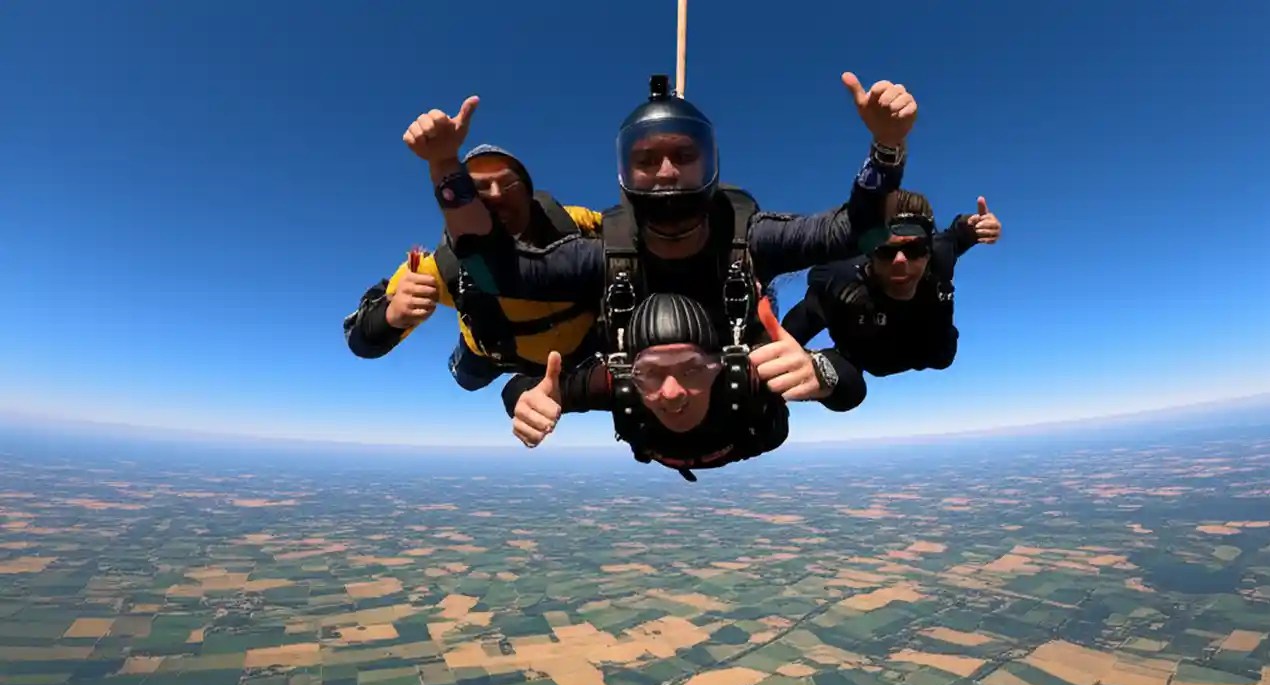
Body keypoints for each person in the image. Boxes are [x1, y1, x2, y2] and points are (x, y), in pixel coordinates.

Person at [399, 69, 916, 449]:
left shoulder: (750, 241)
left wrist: (887, 146)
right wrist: (444, 166)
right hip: (669, 422)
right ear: (626, 172)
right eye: (647, 160)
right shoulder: (607, 258)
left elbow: (861, 234)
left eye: (684, 156)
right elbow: (495, 272)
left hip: (745, 415)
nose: (666, 171)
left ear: (709, 163)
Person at [502, 293, 866, 481]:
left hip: (749, 438)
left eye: (692, 369)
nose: (672, 391)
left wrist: (820, 371)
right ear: (632, 371)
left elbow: (850, 385)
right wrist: (526, 400)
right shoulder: (619, 383)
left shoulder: (744, 375)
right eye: (652, 373)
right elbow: (526, 387)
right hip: (714, 446)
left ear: (718, 364)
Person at [342, 144, 604, 390]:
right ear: (463, 203)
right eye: (478, 188)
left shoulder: (572, 224)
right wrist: (391, 316)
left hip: (579, 348)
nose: (496, 194)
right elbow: (359, 338)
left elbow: (634, 231)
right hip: (494, 353)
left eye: (508, 184)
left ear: (529, 194)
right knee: (467, 380)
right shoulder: (443, 267)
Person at [781, 189, 1003, 381]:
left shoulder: (939, 255)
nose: (900, 261)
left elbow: (958, 234)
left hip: (928, 346)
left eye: (914, 250)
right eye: (886, 251)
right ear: (870, 255)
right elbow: (797, 324)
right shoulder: (842, 283)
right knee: (847, 379)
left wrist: (977, 226)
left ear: (928, 251)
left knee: (943, 354)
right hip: (870, 353)